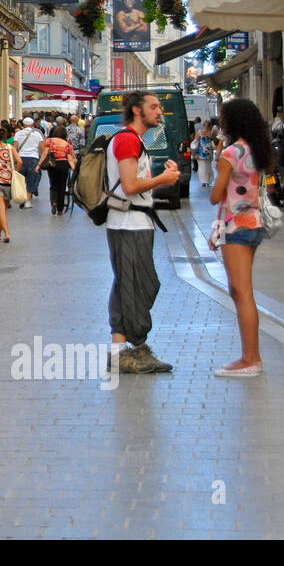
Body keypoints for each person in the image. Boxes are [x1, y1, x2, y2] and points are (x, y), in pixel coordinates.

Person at [106, 92, 180, 375]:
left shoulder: (135, 141)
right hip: (128, 225)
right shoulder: (126, 139)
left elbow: (136, 185)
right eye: (154, 106)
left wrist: (162, 180)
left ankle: (122, 352)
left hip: (135, 224)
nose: (159, 111)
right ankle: (135, 348)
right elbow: (129, 185)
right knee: (139, 286)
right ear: (137, 110)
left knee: (130, 285)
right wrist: (163, 178)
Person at [210, 99, 273, 377]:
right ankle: (250, 357)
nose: (221, 123)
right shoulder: (257, 150)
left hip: (235, 226)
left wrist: (218, 166)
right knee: (242, 291)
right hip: (255, 222)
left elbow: (215, 196)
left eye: (223, 118)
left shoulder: (231, 153)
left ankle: (251, 359)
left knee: (242, 292)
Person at [37, 123, 75, 215]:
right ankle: (60, 209)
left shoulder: (50, 141)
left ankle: (54, 202)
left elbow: (45, 154)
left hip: (53, 164)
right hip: (64, 165)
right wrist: (74, 168)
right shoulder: (67, 144)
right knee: (62, 186)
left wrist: (38, 165)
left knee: (53, 185)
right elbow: (70, 159)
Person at [14, 117, 44, 208]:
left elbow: (15, 148)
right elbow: (43, 148)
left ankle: (22, 197)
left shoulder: (18, 134)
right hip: (33, 158)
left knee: (21, 179)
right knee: (31, 179)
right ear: (32, 125)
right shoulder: (37, 134)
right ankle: (28, 201)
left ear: (23, 125)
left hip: (21, 158)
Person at [196, 121, 216, 187]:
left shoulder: (199, 132)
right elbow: (215, 141)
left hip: (200, 152)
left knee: (202, 167)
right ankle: (208, 181)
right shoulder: (212, 133)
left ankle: (204, 181)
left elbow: (195, 141)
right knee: (208, 167)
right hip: (209, 152)